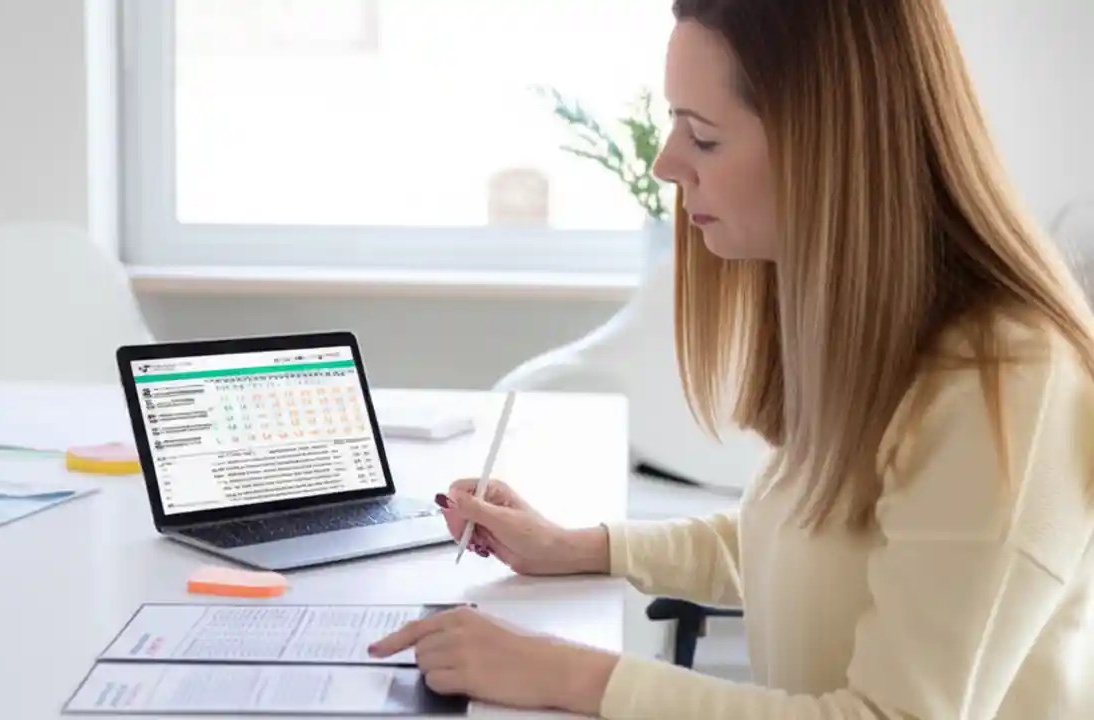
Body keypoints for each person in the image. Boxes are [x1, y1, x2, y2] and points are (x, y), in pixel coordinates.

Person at [367, 0, 1094, 717]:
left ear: (830, 147)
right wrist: (579, 547)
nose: (665, 162)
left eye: (703, 136)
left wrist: (561, 672)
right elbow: (790, 542)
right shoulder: (876, 330)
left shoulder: (1003, 381)